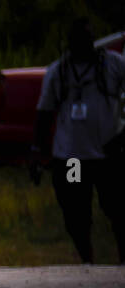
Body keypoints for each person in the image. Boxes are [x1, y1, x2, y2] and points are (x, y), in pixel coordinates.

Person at [33, 17, 125, 263]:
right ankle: (87, 261)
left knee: (117, 209)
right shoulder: (58, 72)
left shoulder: (113, 65)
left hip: (107, 155)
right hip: (72, 158)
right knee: (76, 212)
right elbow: (44, 113)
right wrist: (37, 153)